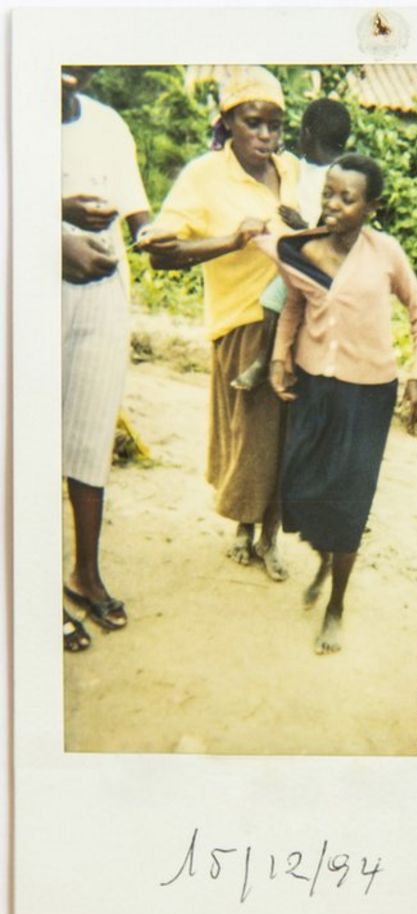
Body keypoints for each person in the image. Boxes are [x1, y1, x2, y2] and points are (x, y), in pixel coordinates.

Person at [264, 153, 417, 654]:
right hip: (315, 387)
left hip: (368, 396)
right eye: (329, 195)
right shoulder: (304, 250)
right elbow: (294, 304)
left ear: (372, 207)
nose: (334, 205)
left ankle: (336, 602)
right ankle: (324, 556)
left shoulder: (386, 254)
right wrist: (280, 359)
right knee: (300, 489)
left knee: (349, 501)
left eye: (348, 198)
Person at [137, 66, 300, 580]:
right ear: (228, 120)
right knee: (250, 434)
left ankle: (269, 535)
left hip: (300, 321)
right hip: (241, 323)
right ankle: (245, 528)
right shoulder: (204, 176)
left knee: (286, 435)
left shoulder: (292, 170)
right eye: (254, 123)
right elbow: (159, 254)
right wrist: (230, 240)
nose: (267, 136)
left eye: (275, 125)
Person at [61, 66, 151, 651]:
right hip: (22, 298)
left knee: (90, 435)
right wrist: (50, 227)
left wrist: (156, 237)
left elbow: (137, 214)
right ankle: (26, 590)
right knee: (22, 446)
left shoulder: (108, 124)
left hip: (100, 300)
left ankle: (83, 573)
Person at [232, 98, 352, 392]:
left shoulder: (337, 179)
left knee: (272, 300)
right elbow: (293, 163)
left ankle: (264, 361)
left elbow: (331, 233)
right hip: (305, 253)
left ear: (307, 134)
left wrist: (301, 226)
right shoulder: (307, 166)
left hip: (321, 259)